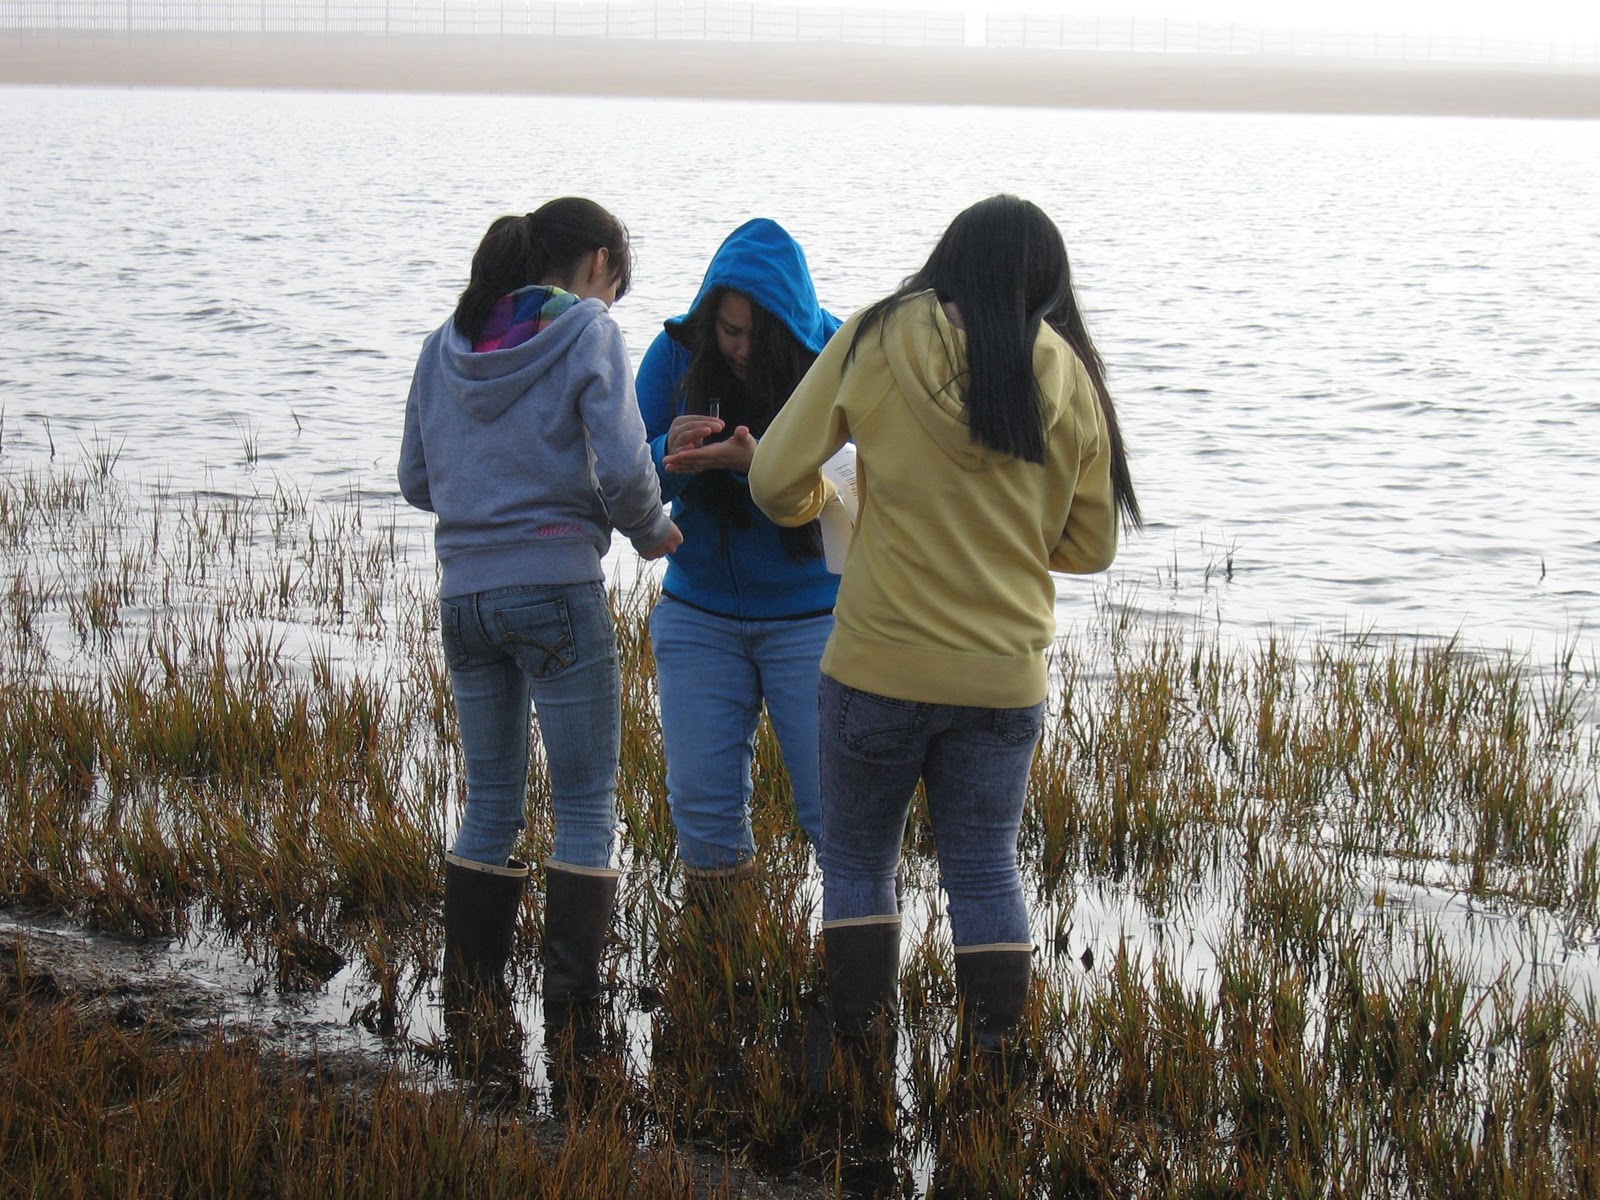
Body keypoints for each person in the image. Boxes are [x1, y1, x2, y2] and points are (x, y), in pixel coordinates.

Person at [750, 195, 1142, 1075]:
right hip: (1004, 682)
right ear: (1044, 282)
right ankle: (996, 1059)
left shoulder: (876, 336)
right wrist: (1002, 532)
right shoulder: (1064, 371)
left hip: (874, 669)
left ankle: (855, 1046)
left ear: (948, 258)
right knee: (986, 866)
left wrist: (827, 504)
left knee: (857, 861)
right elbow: (1091, 544)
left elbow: (774, 478)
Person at [398, 197, 681, 1048]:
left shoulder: (442, 344)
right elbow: (629, 466)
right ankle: (572, 1011)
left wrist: (484, 497)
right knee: (588, 803)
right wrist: (651, 531)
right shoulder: (588, 332)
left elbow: (416, 479)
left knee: (490, 802)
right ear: (598, 263)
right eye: (614, 284)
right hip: (556, 587)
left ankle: (471, 1003)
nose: (610, 300)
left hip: (463, 599)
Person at [635, 218, 842, 888]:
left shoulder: (838, 355)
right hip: (699, 614)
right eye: (728, 330)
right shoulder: (673, 356)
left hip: (815, 618)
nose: (743, 348)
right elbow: (621, 485)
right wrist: (670, 455)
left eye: (759, 332)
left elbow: (864, 492)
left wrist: (769, 471)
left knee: (836, 816)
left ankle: (858, 986)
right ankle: (725, 975)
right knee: (702, 813)